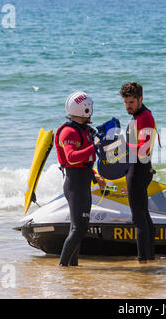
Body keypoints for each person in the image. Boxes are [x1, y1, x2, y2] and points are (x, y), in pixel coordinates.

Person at [54, 91, 106, 267]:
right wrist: (94, 146)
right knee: (80, 229)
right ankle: (63, 267)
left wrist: (95, 174)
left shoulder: (82, 129)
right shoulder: (69, 132)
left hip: (82, 180)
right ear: (85, 108)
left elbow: (83, 162)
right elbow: (72, 158)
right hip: (75, 183)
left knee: (76, 228)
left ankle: (72, 269)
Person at [120, 82, 157, 263]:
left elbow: (144, 148)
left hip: (140, 169)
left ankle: (143, 260)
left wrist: (121, 146)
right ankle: (149, 257)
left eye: (131, 102)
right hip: (137, 167)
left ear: (140, 99)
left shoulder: (145, 117)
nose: (128, 106)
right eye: (126, 103)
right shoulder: (137, 116)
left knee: (138, 217)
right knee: (143, 214)